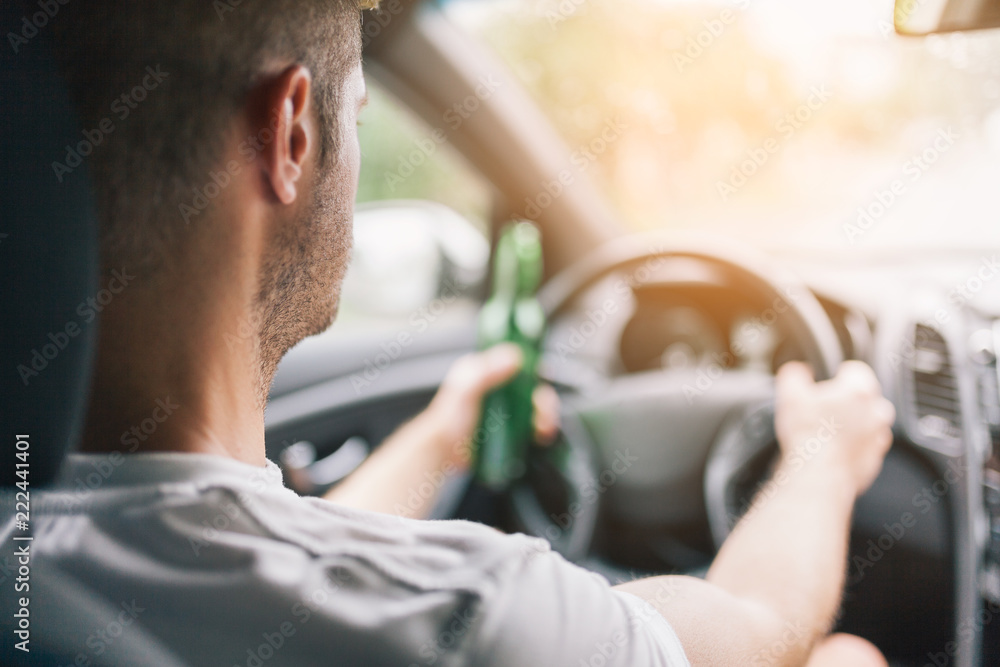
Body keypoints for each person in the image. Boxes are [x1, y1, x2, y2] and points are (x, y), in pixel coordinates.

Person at [17, 1, 895, 664]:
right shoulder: (478, 615)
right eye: (356, 116)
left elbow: (264, 556)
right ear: (290, 134)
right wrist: (824, 452)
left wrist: (440, 437)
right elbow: (756, 628)